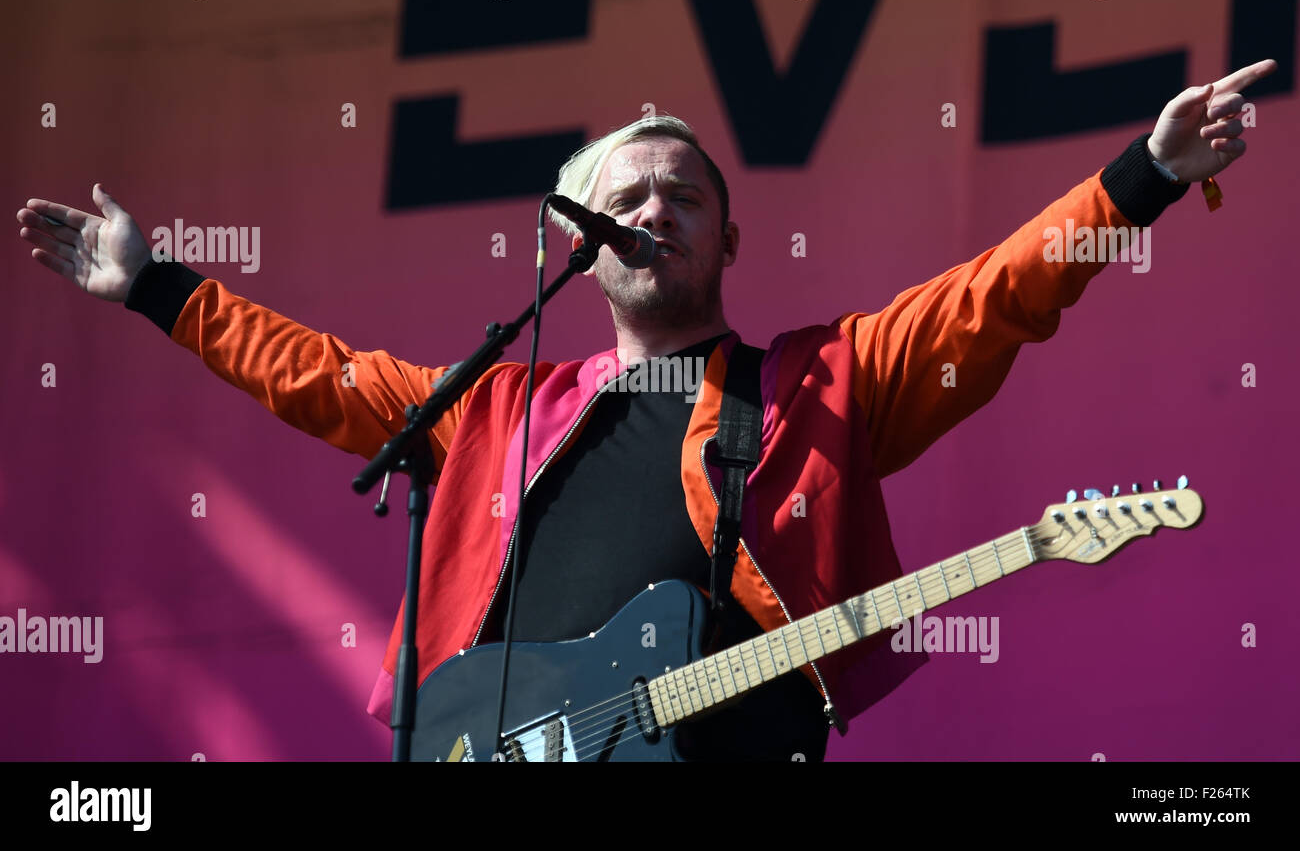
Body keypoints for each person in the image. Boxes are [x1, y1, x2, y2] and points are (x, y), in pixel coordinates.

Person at [16, 60, 1276, 761]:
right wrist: (154, 286)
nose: (657, 207)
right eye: (629, 193)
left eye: (685, 194)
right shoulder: (501, 401)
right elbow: (323, 377)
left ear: (729, 236)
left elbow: (994, 296)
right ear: (574, 237)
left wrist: (1145, 176)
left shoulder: (820, 382)